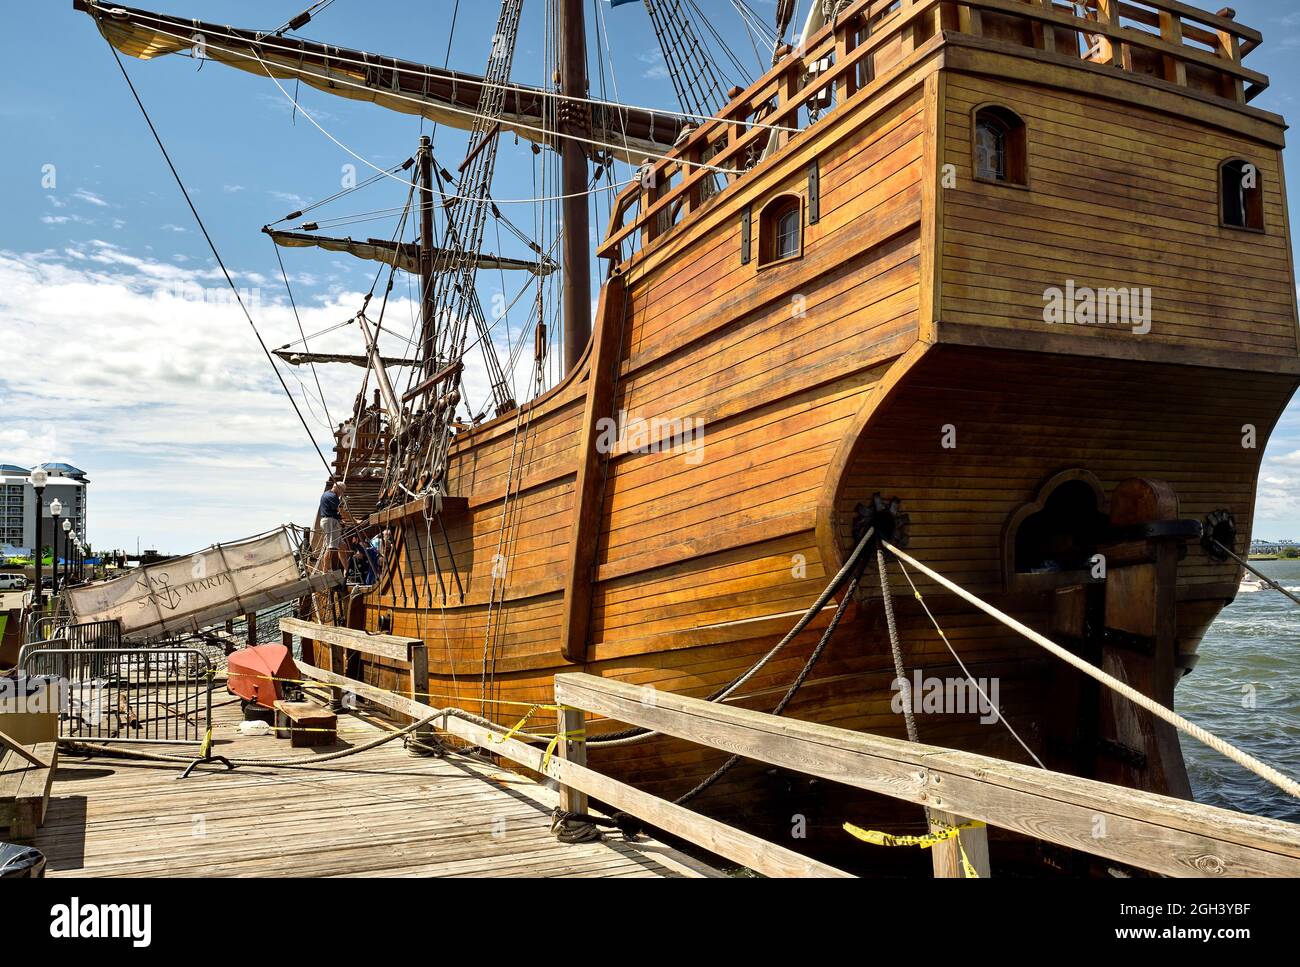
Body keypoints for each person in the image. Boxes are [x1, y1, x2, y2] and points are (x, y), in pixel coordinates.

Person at [318, 480, 348, 573]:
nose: (342, 494)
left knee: (342, 546)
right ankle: (325, 571)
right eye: (342, 491)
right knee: (331, 547)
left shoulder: (327, 494)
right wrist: (354, 520)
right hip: (330, 522)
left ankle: (346, 570)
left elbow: (334, 512)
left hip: (332, 521)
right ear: (338, 489)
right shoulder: (332, 496)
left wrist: (339, 520)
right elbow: (341, 511)